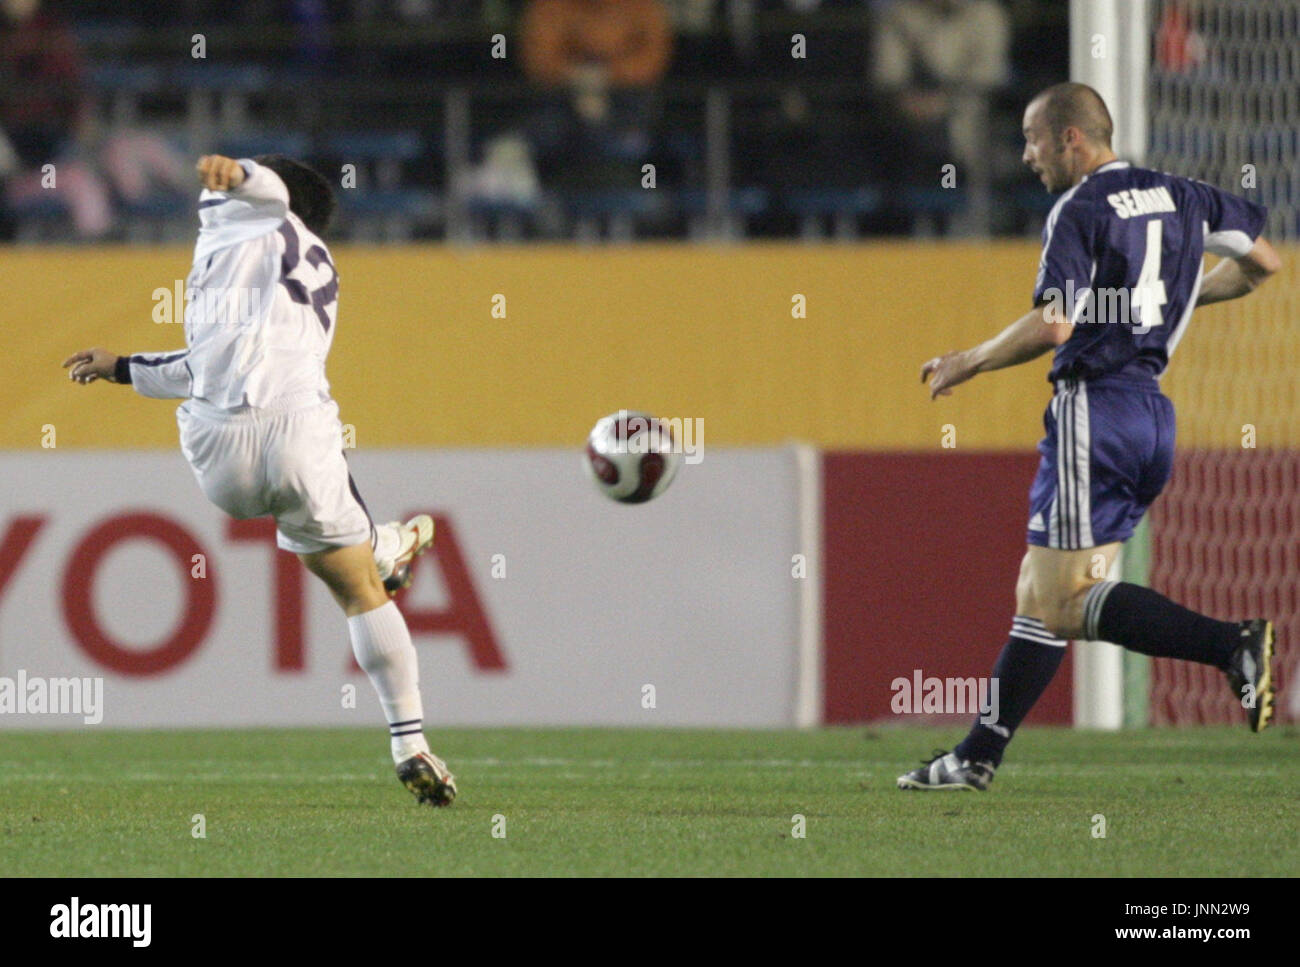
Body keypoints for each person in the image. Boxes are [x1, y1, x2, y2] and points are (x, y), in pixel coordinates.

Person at [899, 82, 1282, 791]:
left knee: (1064, 600)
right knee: (1039, 591)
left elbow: (1054, 324)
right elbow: (1266, 262)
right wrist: (1181, 292)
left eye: (1033, 139)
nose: (1027, 155)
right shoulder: (1184, 192)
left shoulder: (1079, 208)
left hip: (1094, 412)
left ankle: (1232, 643)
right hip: (1150, 418)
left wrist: (967, 360)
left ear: (1072, 139)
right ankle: (976, 754)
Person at [62, 154, 457, 807]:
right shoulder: (318, 267)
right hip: (299, 436)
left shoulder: (244, 219)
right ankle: (409, 740)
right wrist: (127, 365)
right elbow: (221, 352)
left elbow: (265, 197)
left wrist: (237, 175)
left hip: (221, 457)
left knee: (225, 397)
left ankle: (384, 547)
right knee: (361, 592)